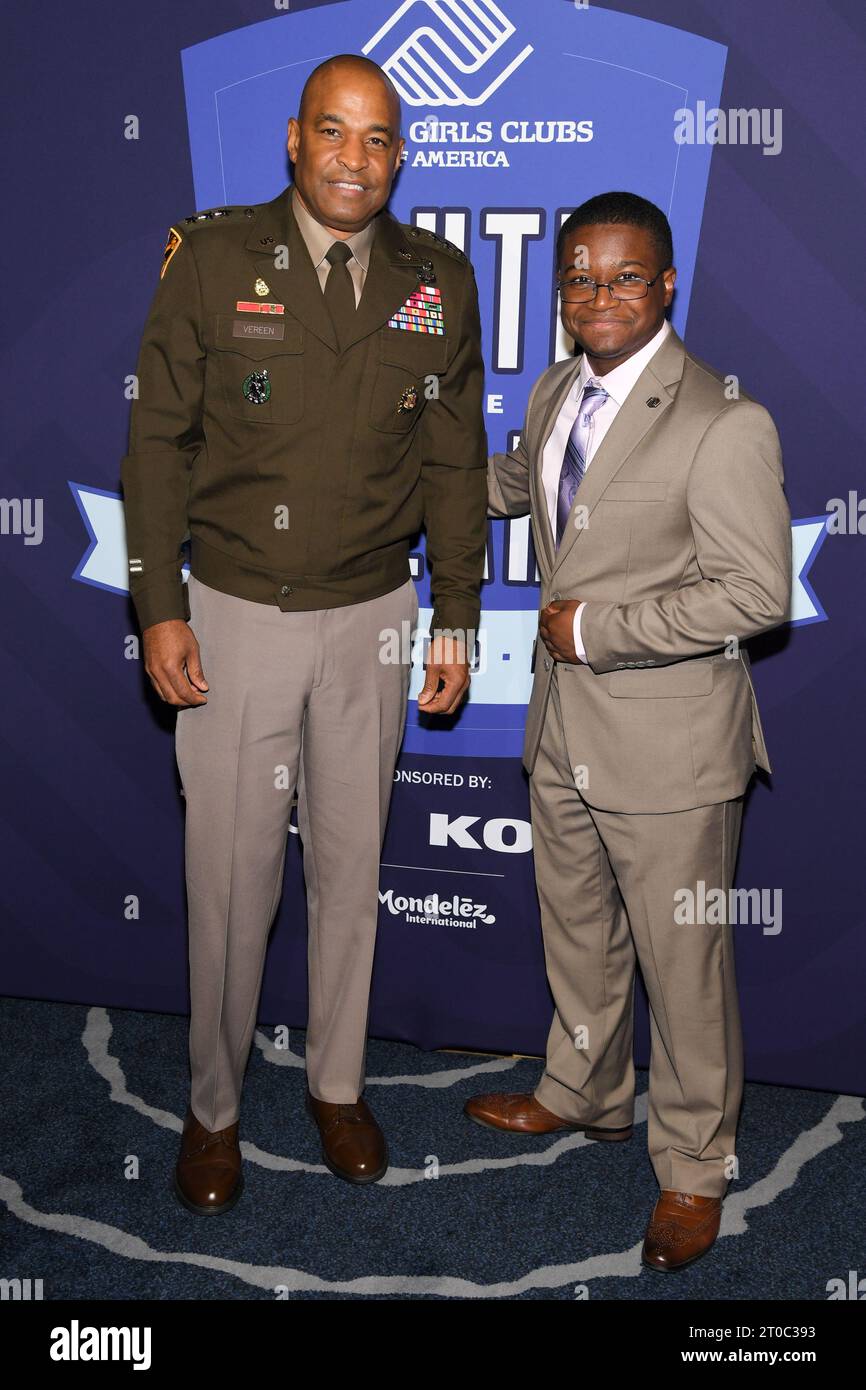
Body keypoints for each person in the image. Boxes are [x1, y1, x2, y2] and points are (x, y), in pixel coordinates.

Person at [121, 53, 487, 1212]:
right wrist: (161, 607)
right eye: (333, 132)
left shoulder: (437, 279)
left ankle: (336, 1084)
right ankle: (213, 1108)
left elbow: (452, 460)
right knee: (228, 883)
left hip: (376, 617)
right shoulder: (214, 257)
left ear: (397, 155)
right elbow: (155, 446)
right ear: (293, 139)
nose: (353, 159)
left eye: (377, 139)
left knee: (347, 870)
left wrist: (458, 613)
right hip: (236, 615)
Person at [468, 191, 791, 1271]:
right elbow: (519, 487)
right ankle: (587, 1090)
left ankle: (694, 1165)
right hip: (562, 729)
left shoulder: (721, 419)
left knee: (683, 965)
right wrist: (399, 486)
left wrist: (601, 628)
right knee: (576, 931)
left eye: (619, 277)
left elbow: (756, 592)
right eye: (577, 278)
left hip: (669, 747)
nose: (595, 295)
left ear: (662, 287)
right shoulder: (557, 387)